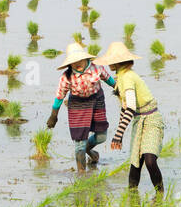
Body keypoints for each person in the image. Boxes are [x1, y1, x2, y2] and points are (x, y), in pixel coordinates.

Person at [102, 41, 164, 193]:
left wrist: (118, 135)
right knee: (136, 161)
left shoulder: (128, 77)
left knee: (149, 160)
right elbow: (125, 109)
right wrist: (120, 132)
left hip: (151, 119)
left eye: (111, 60)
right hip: (138, 119)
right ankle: (132, 196)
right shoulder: (120, 78)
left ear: (118, 62)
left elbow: (130, 107)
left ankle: (160, 195)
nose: (108, 62)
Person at [45, 41, 115, 172]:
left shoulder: (96, 68)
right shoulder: (66, 76)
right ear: (69, 63)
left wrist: (118, 88)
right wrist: (54, 115)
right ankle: (81, 174)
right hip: (77, 104)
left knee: (101, 136)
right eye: (73, 61)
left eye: (79, 59)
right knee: (79, 144)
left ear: (85, 58)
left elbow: (108, 79)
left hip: (96, 101)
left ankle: (89, 150)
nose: (77, 63)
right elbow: (60, 96)